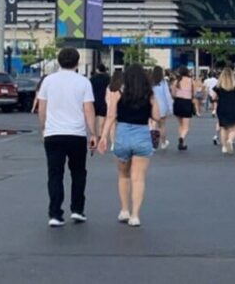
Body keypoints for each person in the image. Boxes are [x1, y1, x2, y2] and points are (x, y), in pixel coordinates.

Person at [37, 47, 97, 228]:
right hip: (76, 134)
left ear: (58, 61)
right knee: (78, 173)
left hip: (53, 133)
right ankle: (77, 209)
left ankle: (55, 213)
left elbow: (42, 108)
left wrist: (43, 128)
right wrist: (93, 133)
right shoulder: (83, 82)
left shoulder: (48, 81)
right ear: (77, 62)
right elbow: (88, 109)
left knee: (55, 174)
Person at [97, 63, 160, 227]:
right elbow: (157, 117)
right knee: (138, 179)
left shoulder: (117, 93)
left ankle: (124, 210)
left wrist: (103, 137)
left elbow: (111, 116)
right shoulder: (149, 95)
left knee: (123, 176)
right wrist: (154, 101)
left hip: (123, 135)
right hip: (141, 135)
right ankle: (135, 215)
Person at [210, 67, 235, 155]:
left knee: (223, 127)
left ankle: (224, 147)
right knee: (234, 126)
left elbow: (213, 97)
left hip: (222, 107)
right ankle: (230, 140)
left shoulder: (218, 85)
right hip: (233, 106)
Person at [149, 66, 173, 150]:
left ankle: (153, 144)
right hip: (162, 106)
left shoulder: (150, 82)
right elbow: (167, 95)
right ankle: (163, 142)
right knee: (162, 125)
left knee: (153, 125)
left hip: (152, 106)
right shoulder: (163, 82)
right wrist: (170, 108)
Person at [171, 66, 194, 150]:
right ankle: (182, 138)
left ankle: (182, 142)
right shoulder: (190, 81)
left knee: (180, 124)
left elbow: (173, 93)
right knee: (186, 126)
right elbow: (193, 93)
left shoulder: (176, 81)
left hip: (177, 102)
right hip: (186, 102)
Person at [89, 63, 110, 139]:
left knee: (93, 118)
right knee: (101, 119)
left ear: (97, 69)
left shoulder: (92, 78)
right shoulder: (108, 78)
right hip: (104, 100)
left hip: (93, 100)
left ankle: (93, 133)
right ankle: (100, 134)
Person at [204, 70, 220, 144]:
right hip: (217, 94)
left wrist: (206, 93)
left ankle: (213, 110)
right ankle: (214, 110)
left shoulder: (206, 80)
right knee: (215, 102)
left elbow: (206, 88)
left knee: (212, 102)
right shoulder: (217, 80)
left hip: (210, 93)